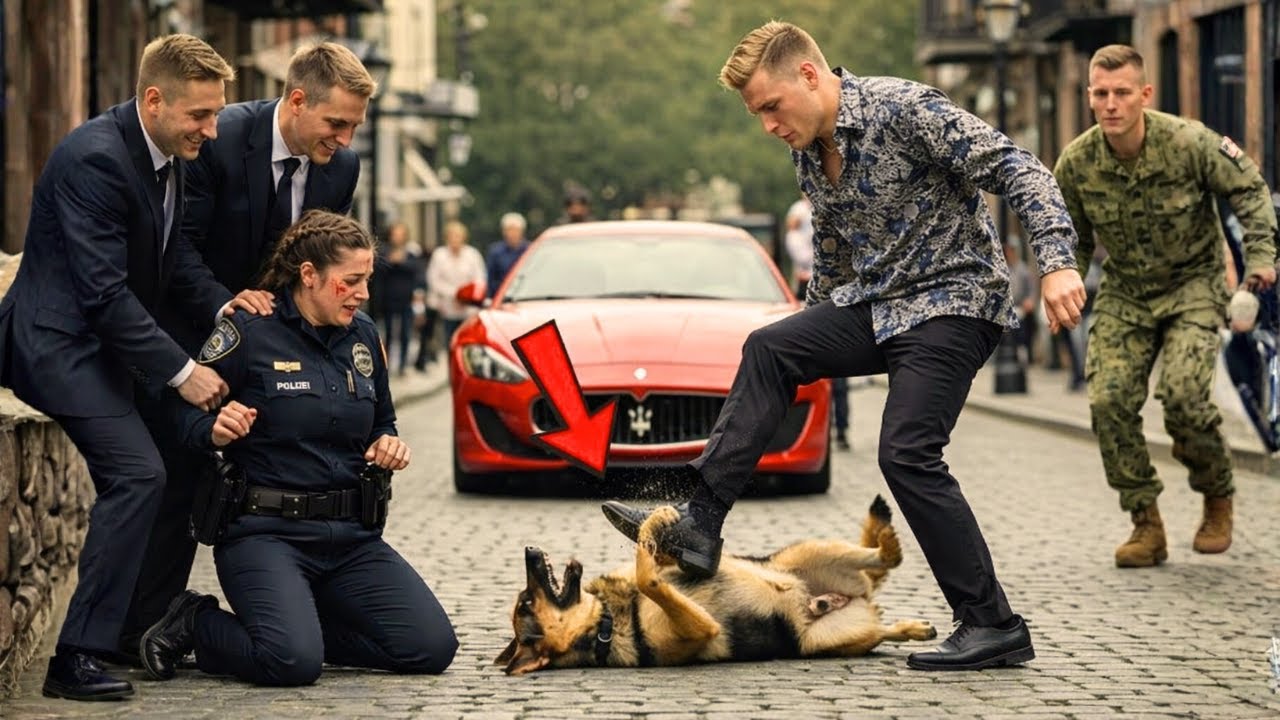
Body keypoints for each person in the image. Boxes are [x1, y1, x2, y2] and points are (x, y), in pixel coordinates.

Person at [599, 21, 1086, 671]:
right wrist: (809, 341)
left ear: (808, 75)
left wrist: (1056, 262)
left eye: (771, 107)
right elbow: (832, 258)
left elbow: (1019, 168)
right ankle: (699, 528)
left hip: (954, 303)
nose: (769, 125)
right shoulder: (807, 150)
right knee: (770, 348)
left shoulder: (905, 109)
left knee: (907, 451)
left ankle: (991, 623)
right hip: (880, 307)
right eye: (756, 116)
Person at [0, 34, 266, 701]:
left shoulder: (167, 154)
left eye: (217, 112)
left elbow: (172, 266)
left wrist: (225, 307)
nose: (212, 129)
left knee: (189, 450)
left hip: (108, 346)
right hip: (57, 342)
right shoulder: (94, 160)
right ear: (154, 99)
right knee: (138, 472)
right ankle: (76, 657)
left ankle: (140, 622)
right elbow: (103, 293)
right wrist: (183, 373)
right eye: (199, 115)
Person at [118, 40, 377, 662]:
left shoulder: (341, 169)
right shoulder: (222, 139)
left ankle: (296, 611)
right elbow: (178, 250)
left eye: (354, 127)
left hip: (282, 344)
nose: (343, 139)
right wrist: (227, 305)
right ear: (295, 101)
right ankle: (141, 625)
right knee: (179, 477)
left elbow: (320, 261)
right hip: (195, 328)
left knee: (287, 461)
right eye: (335, 123)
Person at [139, 210, 458, 686]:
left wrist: (386, 441)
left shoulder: (363, 336)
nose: (364, 293)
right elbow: (176, 408)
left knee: (430, 647)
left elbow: (382, 419)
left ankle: (294, 624)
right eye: (350, 281)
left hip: (350, 539)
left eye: (367, 279)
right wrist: (211, 428)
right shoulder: (249, 331)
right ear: (309, 275)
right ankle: (196, 622)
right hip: (265, 534)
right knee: (292, 663)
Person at [1053, 44, 1278, 568]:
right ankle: (1146, 524)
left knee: (1182, 398)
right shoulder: (1078, 162)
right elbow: (1070, 237)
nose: (1111, 104)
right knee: (1108, 402)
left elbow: (1249, 189)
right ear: (1089, 96)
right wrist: (1060, 278)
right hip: (1127, 292)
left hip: (1194, 287)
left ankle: (1216, 493)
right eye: (1101, 94)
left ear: (1144, 94)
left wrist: (1261, 260)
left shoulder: (1188, 142)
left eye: (1122, 93)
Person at [426, 220, 486, 345]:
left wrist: (466, 296)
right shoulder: (439, 255)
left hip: (468, 308)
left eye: (458, 236)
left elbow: (480, 278)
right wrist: (455, 294)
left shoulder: (473, 254)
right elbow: (434, 279)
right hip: (448, 306)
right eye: (452, 236)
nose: (455, 239)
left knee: (468, 342)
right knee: (450, 341)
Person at [376, 222, 426, 375]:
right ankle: (387, 364)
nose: (397, 237)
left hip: (407, 299)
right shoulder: (384, 251)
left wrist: (400, 262)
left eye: (400, 234)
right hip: (389, 299)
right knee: (389, 333)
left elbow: (416, 271)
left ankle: (403, 365)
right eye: (395, 234)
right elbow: (379, 269)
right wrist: (393, 261)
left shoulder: (411, 253)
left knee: (405, 333)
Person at [486, 212, 530, 298]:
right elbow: (491, 280)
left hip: (527, 297)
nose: (513, 233)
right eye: (510, 229)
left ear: (522, 231)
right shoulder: (495, 252)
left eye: (516, 229)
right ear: (504, 232)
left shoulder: (530, 250)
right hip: (502, 298)